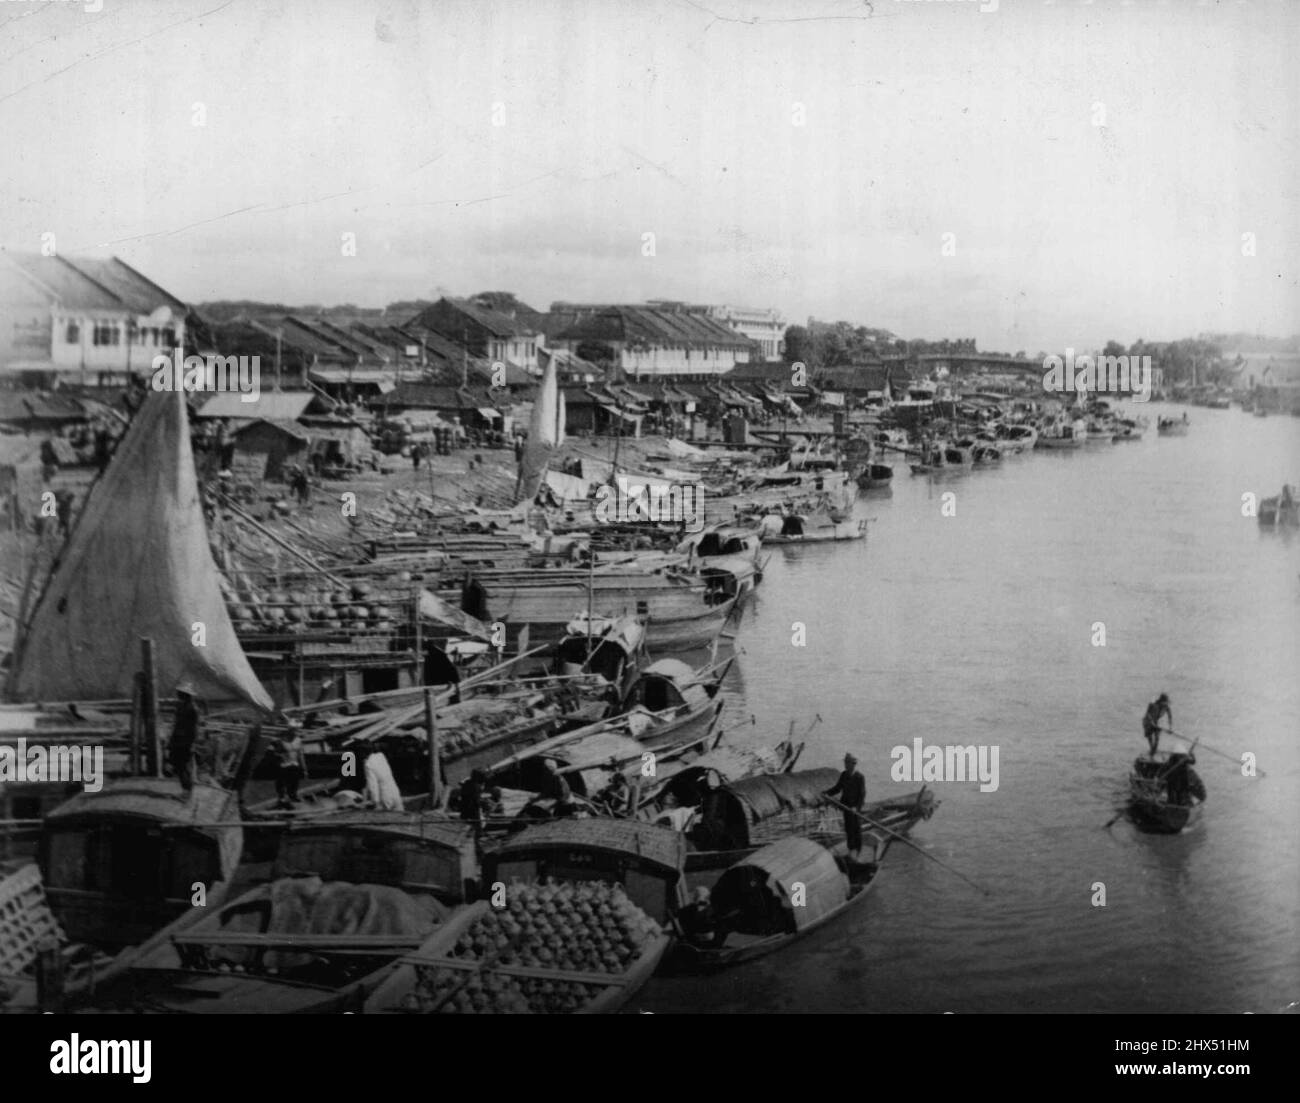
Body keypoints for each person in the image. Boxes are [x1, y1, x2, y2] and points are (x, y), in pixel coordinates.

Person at [824, 753, 866, 860]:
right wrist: (826, 793)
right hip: (846, 807)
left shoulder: (859, 777)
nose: (846, 765)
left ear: (853, 764)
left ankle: (858, 851)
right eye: (845, 763)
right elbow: (837, 788)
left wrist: (857, 807)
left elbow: (862, 794)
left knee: (856, 829)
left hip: (855, 809)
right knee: (849, 829)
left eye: (848, 763)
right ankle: (852, 851)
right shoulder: (844, 775)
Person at [169, 681, 201, 797]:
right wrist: (172, 739)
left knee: (184, 766)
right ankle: (185, 788)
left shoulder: (193, 709)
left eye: (180, 693)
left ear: (186, 694)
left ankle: (188, 790)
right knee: (178, 765)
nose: (178, 694)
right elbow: (177, 724)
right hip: (178, 740)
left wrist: (192, 743)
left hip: (185, 742)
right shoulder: (181, 706)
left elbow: (194, 729)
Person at [358, 742, 403, 810]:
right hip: (395, 791)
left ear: (363, 753)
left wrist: (375, 802)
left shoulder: (368, 764)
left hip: (385, 796)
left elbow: (373, 785)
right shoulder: (381, 756)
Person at [274, 719, 308, 807]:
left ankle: (293, 796)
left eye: (297, 730)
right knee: (282, 783)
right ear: (289, 730)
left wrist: (304, 768)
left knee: (294, 782)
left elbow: (300, 755)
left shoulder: (298, 740)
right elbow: (276, 753)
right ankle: (282, 798)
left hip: (295, 764)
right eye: (294, 730)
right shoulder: (281, 741)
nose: (296, 732)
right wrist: (281, 759)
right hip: (284, 765)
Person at [1160, 728, 1197, 806]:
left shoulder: (1183, 758)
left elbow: (1193, 761)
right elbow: (1166, 767)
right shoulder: (1174, 758)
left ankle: (1178, 805)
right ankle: (1172, 804)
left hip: (1180, 779)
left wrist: (1192, 755)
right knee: (1173, 793)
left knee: (1179, 794)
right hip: (1173, 778)